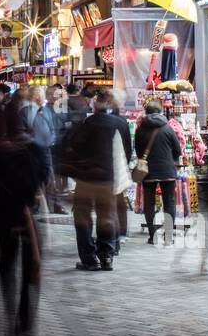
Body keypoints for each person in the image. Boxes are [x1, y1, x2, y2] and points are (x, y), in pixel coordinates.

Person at [0, 101, 46, 336]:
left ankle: (12, 326)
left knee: (7, 269)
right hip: (30, 217)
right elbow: (43, 178)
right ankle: (25, 330)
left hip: (5, 216)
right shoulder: (35, 149)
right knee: (30, 278)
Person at [67, 91, 133, 270]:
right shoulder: (121, 123)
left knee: (83, 217)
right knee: (108, 216)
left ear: (95, 105)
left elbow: (73, 147)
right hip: (109, 179)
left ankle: (89, 258)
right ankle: (107, 257)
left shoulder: (87, 123)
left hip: (87, 179)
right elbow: (127, 151)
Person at [135, 101, 183, 246]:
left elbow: (137, 150)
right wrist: (171, 159)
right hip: (167, 170)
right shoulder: (168, 128)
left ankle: (152, 236)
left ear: (146, 112)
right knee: (169, 203)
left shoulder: (140, 129)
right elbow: (178, 150)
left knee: (149, 203)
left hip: (148, 171)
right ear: (161, 111)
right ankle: (168, 237)